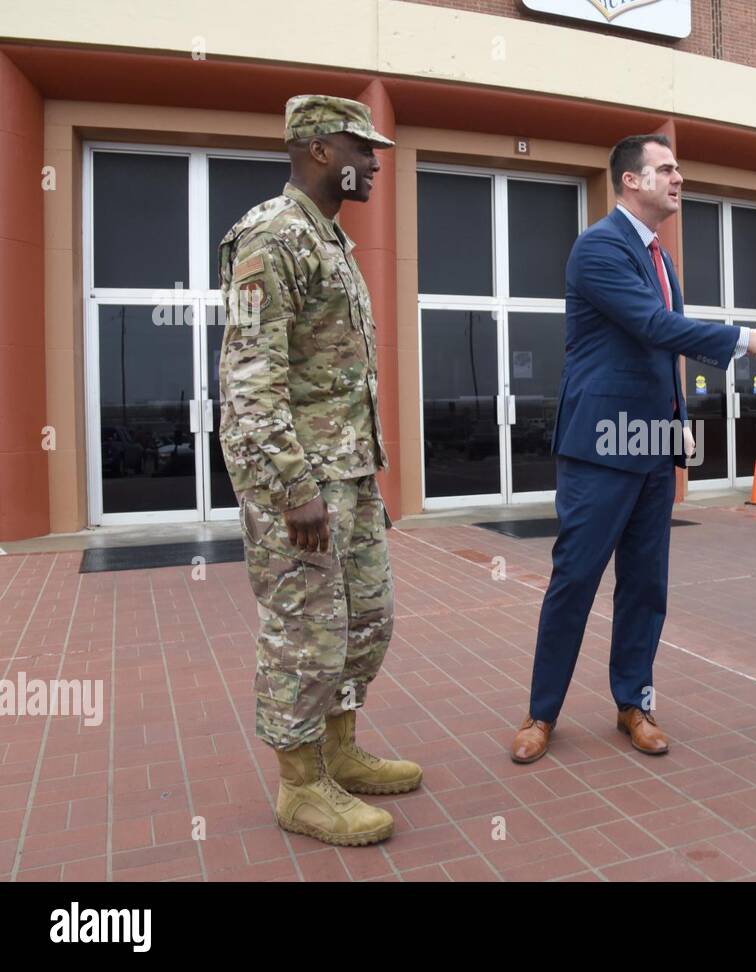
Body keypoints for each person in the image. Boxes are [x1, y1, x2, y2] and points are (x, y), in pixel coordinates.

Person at [510, 134, 756, 764]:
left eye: (679, 168)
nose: (678, 178)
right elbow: (652, 324)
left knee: (646, 586)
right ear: (630, 182)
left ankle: (632, 704)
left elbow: (660, 349)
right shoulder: (600, 248)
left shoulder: (662, 259)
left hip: (654, 444)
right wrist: (750, 339)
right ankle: (541, 713)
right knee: (576, 580)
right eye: (666, 169)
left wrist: (678, 419)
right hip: (600, 447)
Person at [218, 94, 421, 847]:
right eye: (360, 148)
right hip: (298, 483)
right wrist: (294, 488)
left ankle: (339, 749)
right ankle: (300, 787)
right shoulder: (272, 236)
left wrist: (355, 476)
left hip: (349, 475)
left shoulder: (330, 240)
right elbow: (249, 377)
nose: (372, 162)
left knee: (366, 619)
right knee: (304, 632)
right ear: (319, 150)